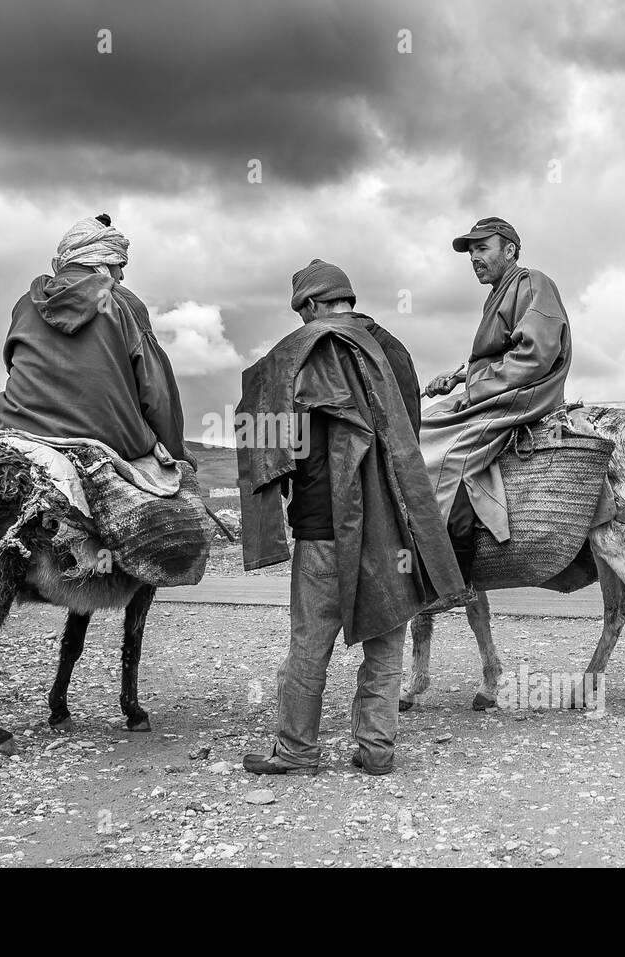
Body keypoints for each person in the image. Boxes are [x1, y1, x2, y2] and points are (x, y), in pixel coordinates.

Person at [239, 259, 463, 776]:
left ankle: (296, 750)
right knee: (387, 636)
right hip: (394, 525)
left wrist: (272, 498)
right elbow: (405, 436)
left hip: (321, 526)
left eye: (303, 313)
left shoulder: (297, 353)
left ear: (313, 306)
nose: (305, 324)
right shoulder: (395, 352)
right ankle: (376, 748)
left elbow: (266, 444)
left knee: (309, 642)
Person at [421, 218, 572, 576]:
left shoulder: (532, 283)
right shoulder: (497, 294)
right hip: (497, 390)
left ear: (510, 250)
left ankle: (451, 566)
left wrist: (474, 389)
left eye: (482, 248)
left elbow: (533, 356)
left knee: (447, 452)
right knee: (420, 422)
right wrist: (458, 378)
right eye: (471, 251)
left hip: (523, 395)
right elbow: (498, 353)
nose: (474, 257)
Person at [0, 214, 195, 468]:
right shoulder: (121, 301)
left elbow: (15, 366)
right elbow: (158, 394)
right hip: (107, 437)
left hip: (16, 427)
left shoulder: (26, 303)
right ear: (101, 263)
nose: (122, 276)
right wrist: (177, 454)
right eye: (120, 265)